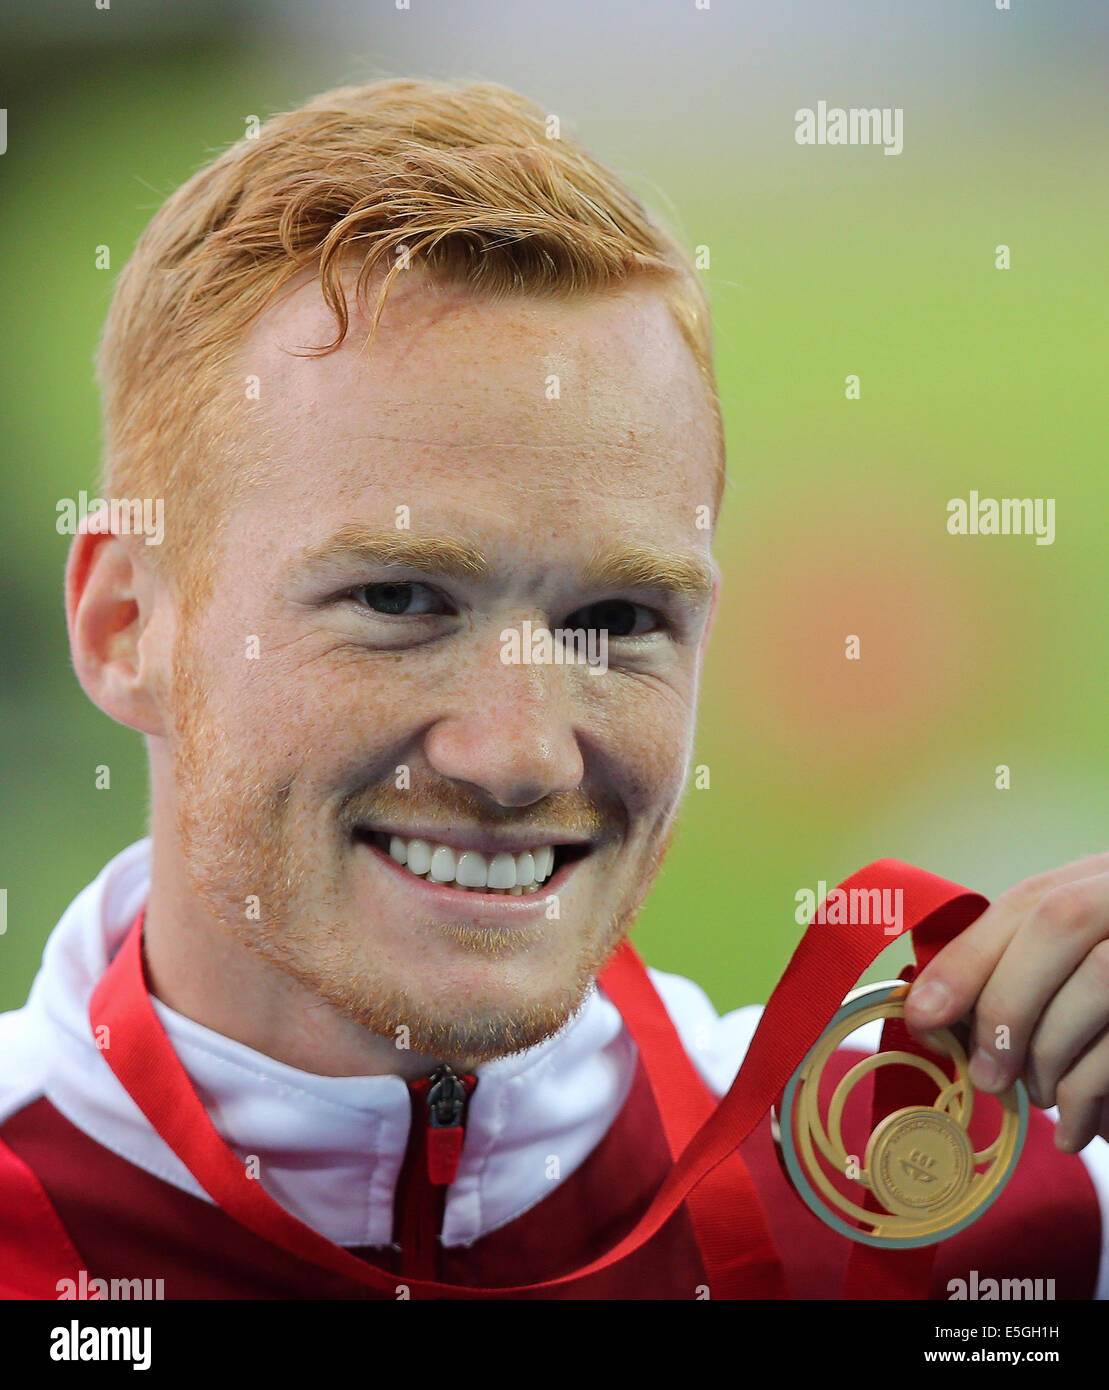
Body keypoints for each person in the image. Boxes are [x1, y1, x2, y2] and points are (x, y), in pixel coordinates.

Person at [2, 78, 1107, 1300]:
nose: (519, 754)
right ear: (124, 625)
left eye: (615, 619)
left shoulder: (970, 1213)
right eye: (400, 601)